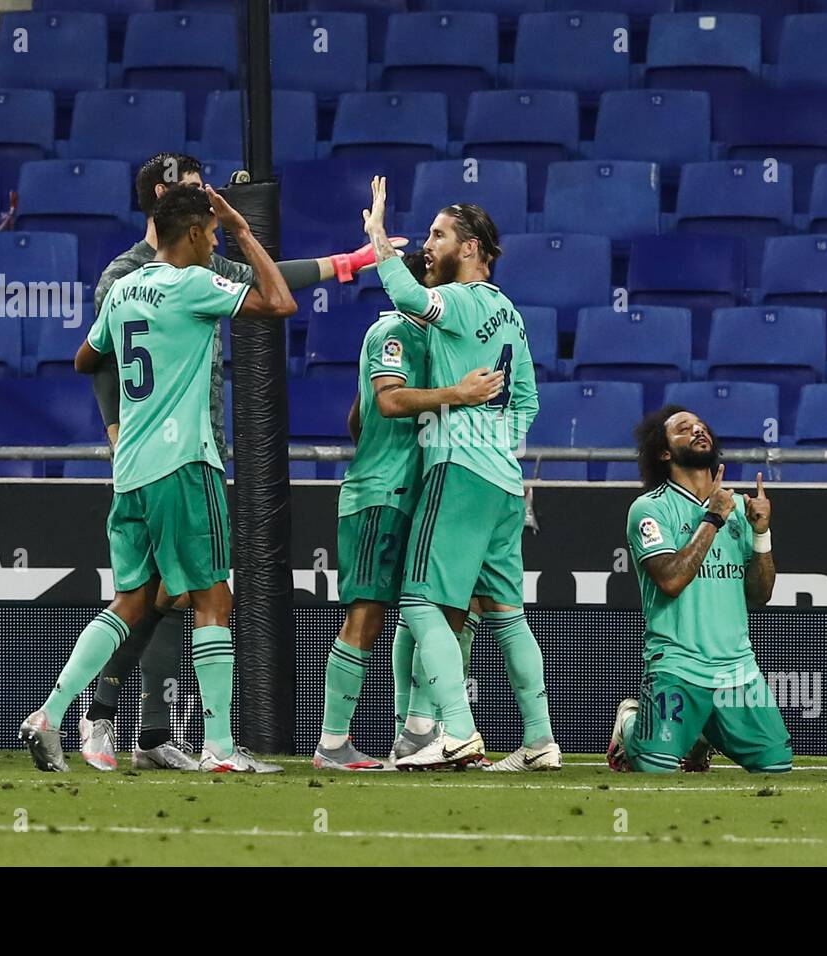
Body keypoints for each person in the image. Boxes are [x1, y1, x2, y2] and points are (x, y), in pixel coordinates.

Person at [78, 152, 400, 772]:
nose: (216, 206)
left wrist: (352, 262)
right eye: (202, 195)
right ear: (169, 201)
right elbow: (100, 364)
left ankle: (149, 733)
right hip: (152, 453)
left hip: (197, 446)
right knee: (160, 594)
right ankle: (101, 718)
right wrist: (116, 431)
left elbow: (272, 277)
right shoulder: (130, 272)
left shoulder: (199, 261)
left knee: (172, 596)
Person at [19, 186, 296, 773]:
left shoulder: (121, 291)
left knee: (130, 601)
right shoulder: (194, 285)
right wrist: (247, 232)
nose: (217, 240)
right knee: (212, 597)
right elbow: (279, 302)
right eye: (213, 233)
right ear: (194, 233)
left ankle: (49, 714)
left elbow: (83, 358)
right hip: (183, 464)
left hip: (132, 469)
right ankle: (220, 747)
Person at [362, 177, 560, 771]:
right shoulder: (512, 316)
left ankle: (459, 733)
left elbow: (408, 297)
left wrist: (377, 239)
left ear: (469, 248)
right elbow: (527, 400)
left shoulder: (466, 300)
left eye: (438, 235)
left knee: (419, 599)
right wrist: (503, 446)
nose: (428, 245)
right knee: (506, 613)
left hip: (460, 469)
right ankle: (540, 741)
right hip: (503, 480)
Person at [315, 251, 504, 770]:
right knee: (368, 615)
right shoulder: (394, 332)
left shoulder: (434, 339)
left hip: (416, 494)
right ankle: (332, 744)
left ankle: (416, 733)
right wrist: (456, 397)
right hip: (381, 495)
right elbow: (384, 403)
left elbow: (356, 414)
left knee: (431, 610)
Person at [607, 406, 792, 775]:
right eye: (683, 429)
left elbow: (761, 594)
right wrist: (713, 519)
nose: (697, 431)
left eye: (701, 426)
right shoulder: (649, 509)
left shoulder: (740, 507)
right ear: (663, 452)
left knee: (776, 766)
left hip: (736, 669)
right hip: (677, 665)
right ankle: (630, 726)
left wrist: (761, 534)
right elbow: (671, 581)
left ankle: (699, 735)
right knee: (654, 769)